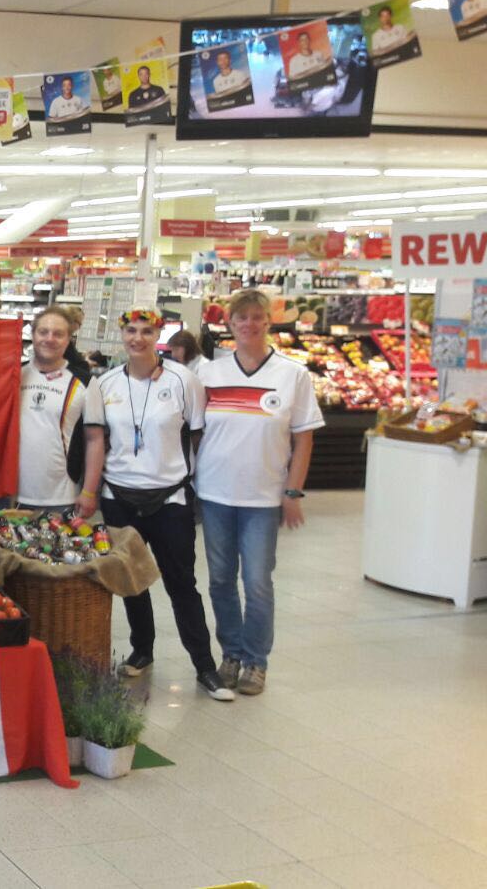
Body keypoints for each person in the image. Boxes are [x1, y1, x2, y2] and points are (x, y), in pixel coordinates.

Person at [79, 309, 234, 702]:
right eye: (130, 330)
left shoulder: (185, 380)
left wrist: (203, 487)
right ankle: (142, 649)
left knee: (182, 584)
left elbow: (199, 437)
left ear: (159, 334)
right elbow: (97, 441)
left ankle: (204, 666)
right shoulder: (104, 383)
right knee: (131, 582)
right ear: (122, 334)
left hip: (171, 498)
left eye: (147, 331)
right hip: (119, 496)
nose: (138, 338)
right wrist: (90, 491)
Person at [196, 290, 322, 696]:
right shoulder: (209, 373)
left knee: (257, 582)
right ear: (229, 324)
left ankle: (256, 661)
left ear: (269, 321)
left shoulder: (293, 374)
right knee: (219, 579)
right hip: (214, 493)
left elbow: (303, 439)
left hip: (263, 500)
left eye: (257, 317)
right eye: (241, 318)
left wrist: (293, 491)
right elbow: (195, 433)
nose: (249, 324)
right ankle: (230, 653)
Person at [17, 306, 86, 512]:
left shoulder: (83, 382)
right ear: (33, 334)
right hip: (10, 493)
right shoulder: (14, 375)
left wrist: (89, 491)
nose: (49, 339)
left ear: (68, 340)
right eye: (43, 332)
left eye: (58, 334)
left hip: (61, 496)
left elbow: (95, 439)